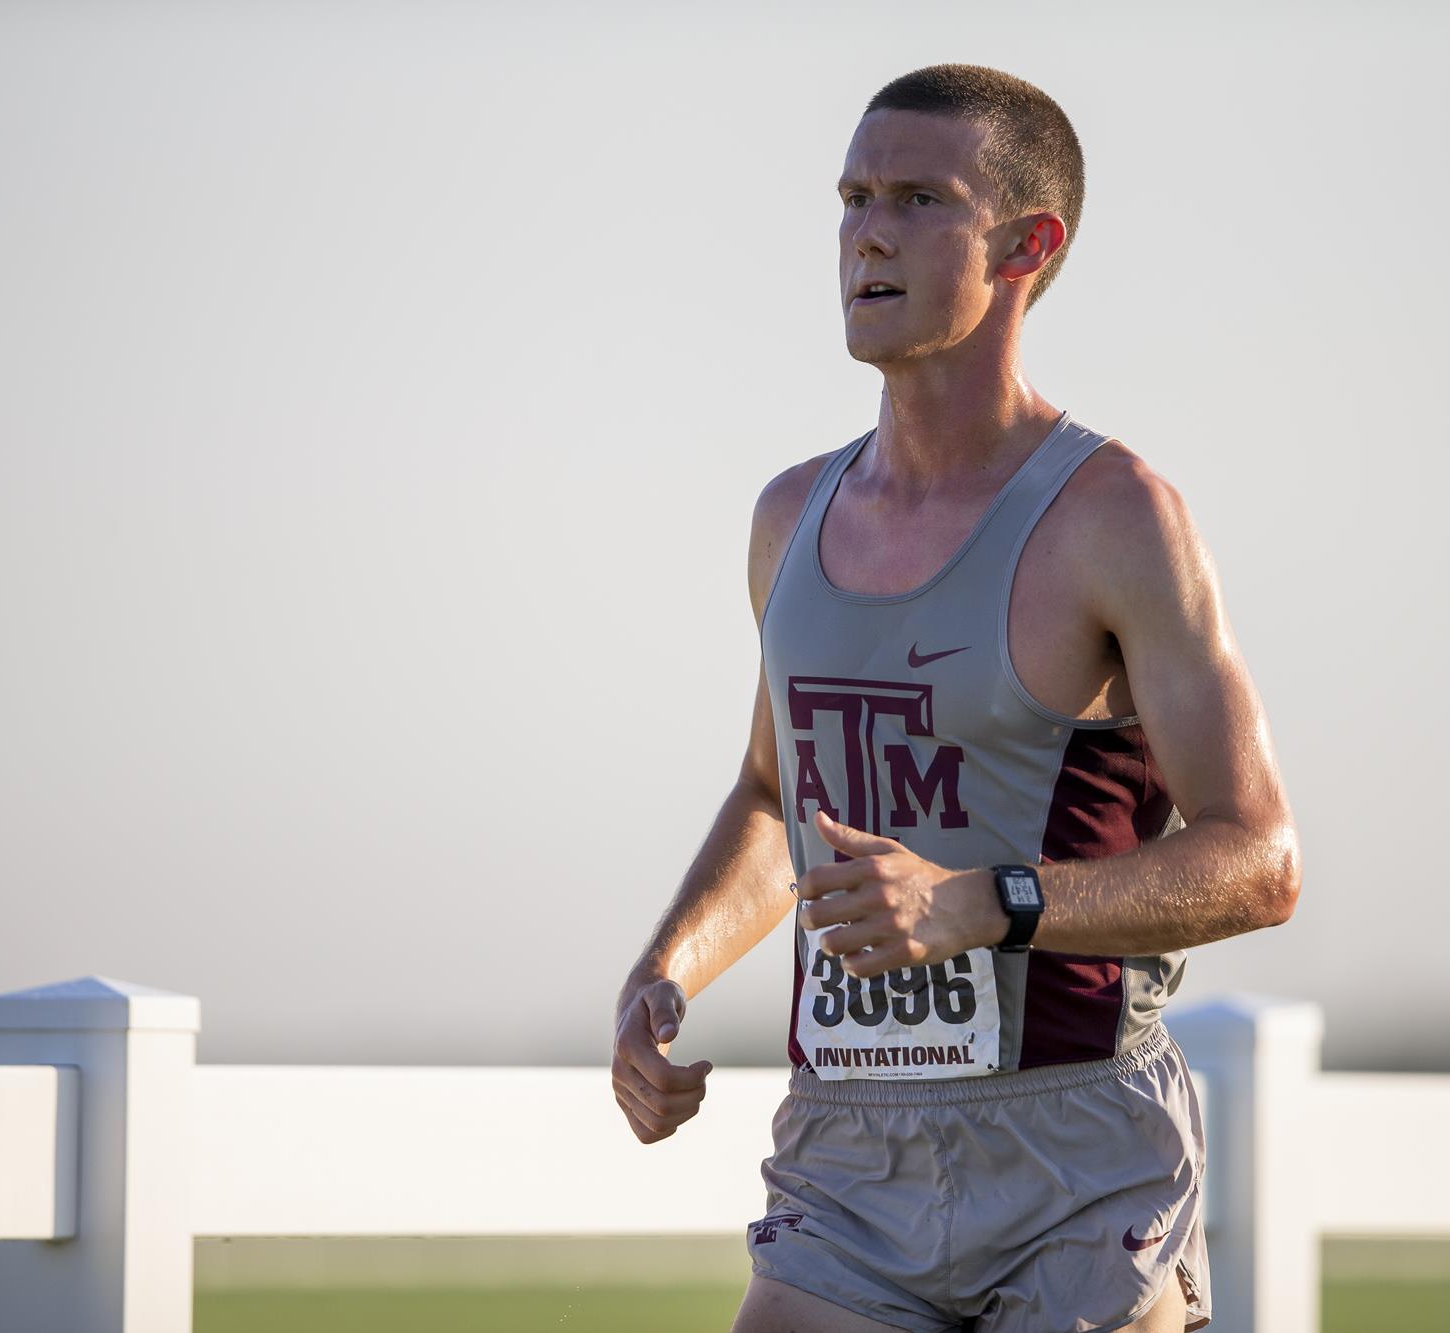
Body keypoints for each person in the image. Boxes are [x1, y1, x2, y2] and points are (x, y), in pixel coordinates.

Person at [611, 62, 1300, 1333]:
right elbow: (777, 798)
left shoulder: (1119, 518)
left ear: (1024, 246)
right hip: (848, 1151)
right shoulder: (787, 517)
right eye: (852, 196)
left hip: (1078, 1158)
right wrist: (667, 969)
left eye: (917, 199)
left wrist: (978, 905)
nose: (865, 231)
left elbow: (1257, 860)